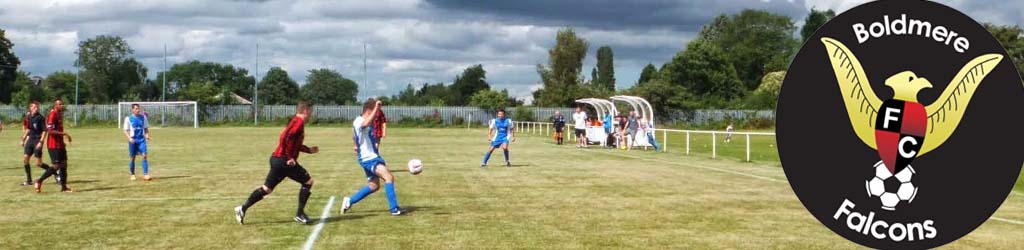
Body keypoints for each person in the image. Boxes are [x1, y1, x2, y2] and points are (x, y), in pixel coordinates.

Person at [234, 102, 320, 225]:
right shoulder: (298, 122)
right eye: (310, 111)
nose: (311, 114)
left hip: (277, 159)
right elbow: (285, 137)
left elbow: (293, 142)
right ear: (305, 111)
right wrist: (290, 157)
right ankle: (300, 214)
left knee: (266, 189)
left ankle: (242, 209)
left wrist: (308, 150)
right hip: (284, 161)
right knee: (308, 182)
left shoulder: (295, 121)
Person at [341, 98, 405, 216]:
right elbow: (363, 125)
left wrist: (356, 145)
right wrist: (377, 107)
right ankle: (394, 209)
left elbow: (355, 135)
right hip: (368, 159)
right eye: (374, 113)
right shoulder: (360, 120)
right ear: (368, 111)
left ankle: (349, 201)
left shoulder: (364, 123)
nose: (376, 117)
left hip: (371, 157)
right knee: (389, 177)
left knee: (374, 185)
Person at [35, 99, 73, 193]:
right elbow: (50, 131)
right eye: (60, 104)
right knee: (56, 166)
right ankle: (39, 181)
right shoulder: (52, 115)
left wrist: (62, 140)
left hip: (60, 145)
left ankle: (64, 187)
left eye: (62, 104)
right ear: (55, 105)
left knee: (64, 165)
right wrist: (64, 134)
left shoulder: (59, 114)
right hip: (53, 145)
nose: (62, 105)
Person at [19, 101, 49, 186]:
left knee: (38, 163)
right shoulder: (29, 117)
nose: (36, 108)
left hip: (37, 140)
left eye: (37, 107)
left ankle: (55, 172)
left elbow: (44, 131)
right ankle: (29, 180)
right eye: (34, 107)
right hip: (30, 140)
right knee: (25, 160)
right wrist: (23, 139)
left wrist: (41, 142)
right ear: (30, 108)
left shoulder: (40, 118)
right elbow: (28, 129)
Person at [124, 104, 153, 181]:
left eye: (138, 108)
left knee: (144, 156)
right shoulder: (128, 118)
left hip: (141, 140)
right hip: (133, 141)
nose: (138, 110)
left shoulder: (143, 117)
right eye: (136, 109)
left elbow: (146, 128)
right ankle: (132, 174)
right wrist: (129, 138)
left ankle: (146, 174)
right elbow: (125, 130)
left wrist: (147, 136)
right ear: (132, 110)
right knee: (132, 158)